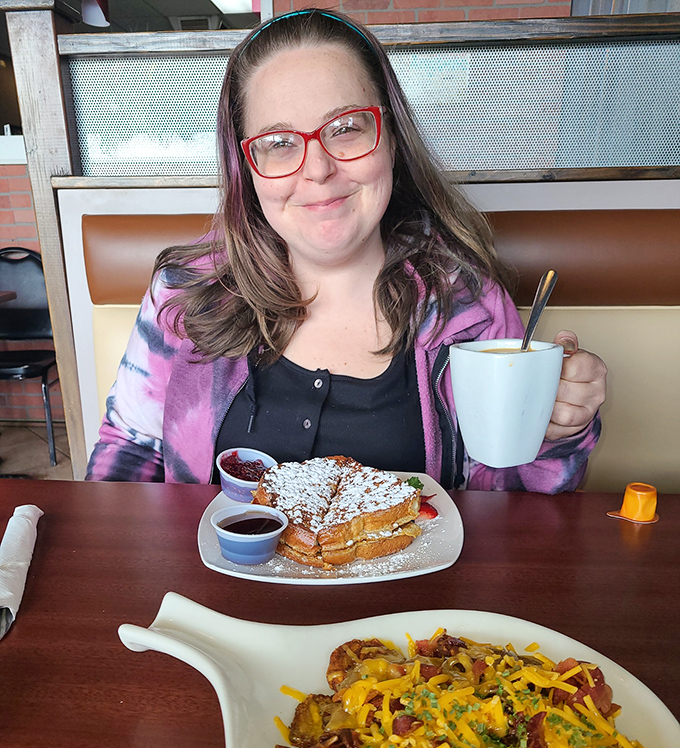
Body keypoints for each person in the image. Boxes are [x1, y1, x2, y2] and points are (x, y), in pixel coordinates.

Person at [86, 8, 606, 492]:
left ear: (391, 138)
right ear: (246, 166)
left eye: (347, 128)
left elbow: (509, 503)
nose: (317, 170)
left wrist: (555, 428)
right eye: (279, 142)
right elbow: (130, 452)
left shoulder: (466, 306)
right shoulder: (187, 292)